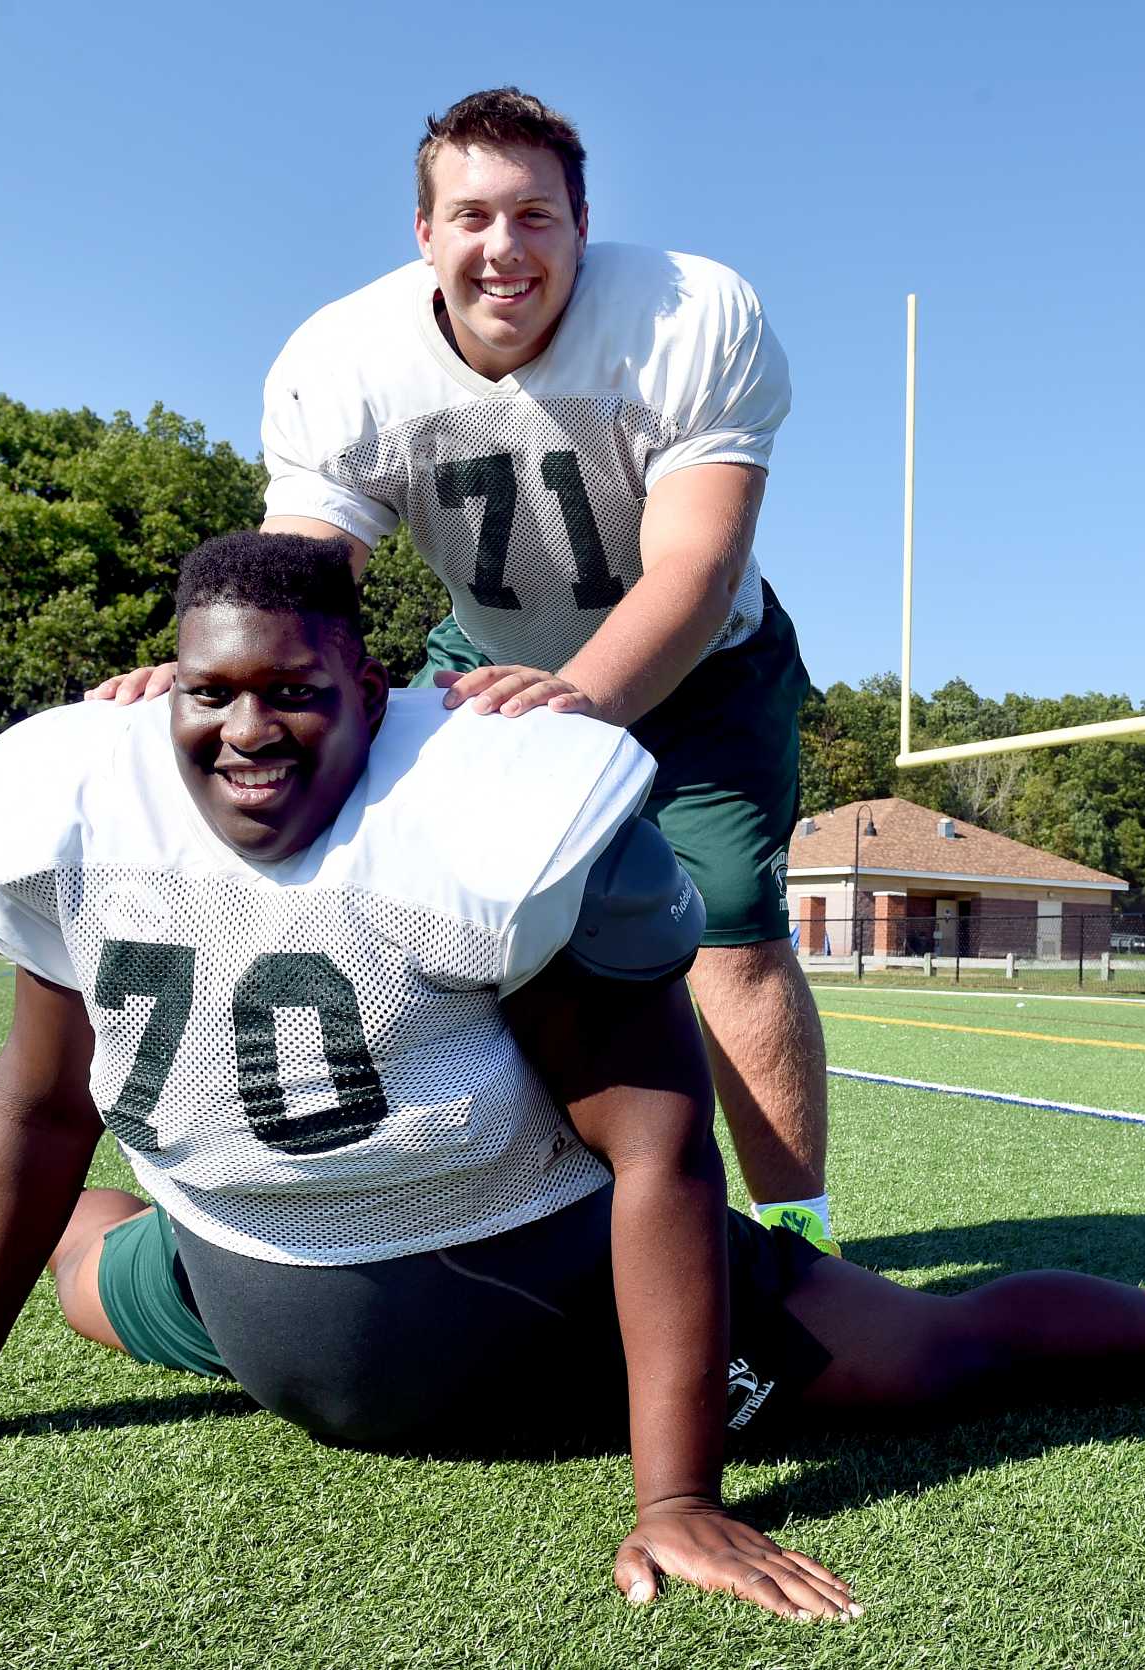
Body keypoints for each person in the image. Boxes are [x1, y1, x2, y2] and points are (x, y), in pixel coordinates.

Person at [0, 534, 1145, 1623]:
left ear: (369, 684)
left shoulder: (485, 816)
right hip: (246, 1273)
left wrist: (673, 1493)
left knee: (933, 1356)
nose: (246, 731)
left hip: (533, 1301)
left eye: (294, 692)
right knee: (79, 1250)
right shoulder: (82, 807)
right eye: (211, 693)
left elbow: (663, 1160)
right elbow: (39, 1105)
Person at [92, 88, 835, 1254]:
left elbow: (694, 564)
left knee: (730, 933)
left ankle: (798, 1240)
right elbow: (300, 579)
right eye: (472, 216)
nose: (503, 247)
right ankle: (508, 1215)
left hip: (704, 669)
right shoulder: (345, 357)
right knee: (436, 921)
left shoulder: (687, 315)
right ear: (424, 233)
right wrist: (208, 673)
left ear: (581, 225)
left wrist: (585, 699)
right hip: (490, 665)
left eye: (534, 215)